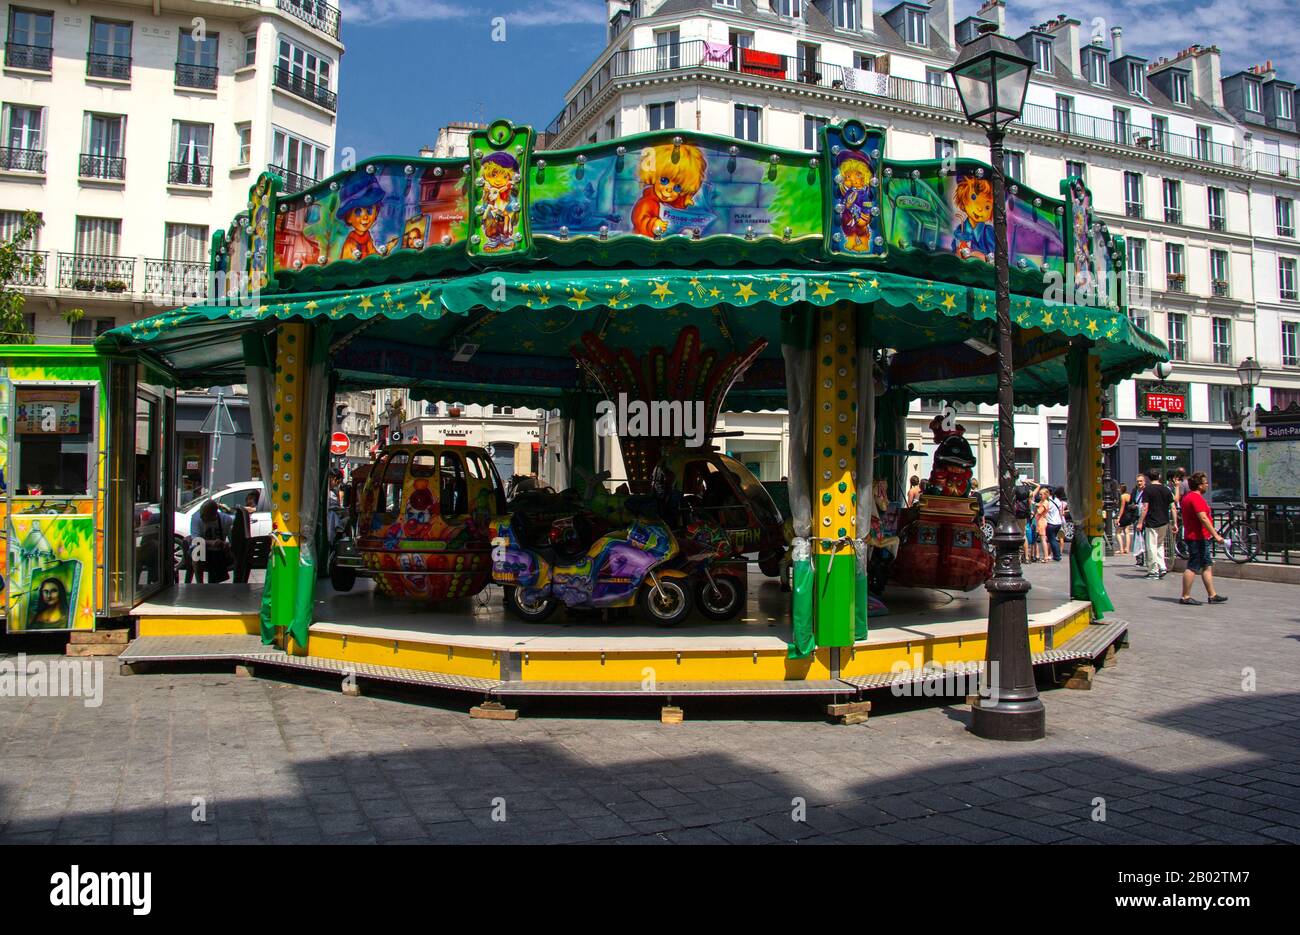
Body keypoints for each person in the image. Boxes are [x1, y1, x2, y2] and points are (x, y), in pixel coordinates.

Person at [1179, 471, 1228, 606]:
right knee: (1193, 566)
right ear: (1200, 485)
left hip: (1198, 536)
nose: (1207, 485)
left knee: (1207, 565)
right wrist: (1216, 535)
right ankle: (1185, 596)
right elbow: (1203, 518)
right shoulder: (1196, 498)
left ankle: (1212, 595)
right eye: (1205, 483)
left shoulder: (1188, 497)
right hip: (1197, 537)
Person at [1137, 469, 1174, 579]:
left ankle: (1153, 570)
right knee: (1160, 545)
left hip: (1152, 521)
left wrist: (1140, 522)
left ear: (1148, 477)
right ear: (1159, 476)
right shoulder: (1166, 489)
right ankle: (1162, 566)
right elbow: (1172, 507)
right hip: (1164, 521)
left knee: (1151, 546)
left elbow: (1145, 508)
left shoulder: (1147, 490)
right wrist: (1175, 523)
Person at [230, 492, 257, 584]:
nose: (248, 501)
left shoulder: (244, 511)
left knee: (241, 557)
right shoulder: (245, 511)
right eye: (248, 499)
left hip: (244, 548)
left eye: (251, 499)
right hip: (248, 549)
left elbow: (251, 509)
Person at [1042, 486, 1065, 561]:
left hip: (1051, 523)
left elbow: (1045, 511)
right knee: (1054, 539)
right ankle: (1056, 554)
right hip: (1058, 523)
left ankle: (1057, 555)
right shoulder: (1057, 500)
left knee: (1052, 540)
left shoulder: (1048, 501)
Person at [1131, 473, 1147, 568]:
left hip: (1145, 518)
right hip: (1136, 517)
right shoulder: (1134, 491)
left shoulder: (1147, 491)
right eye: (1138, 481)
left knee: (1145, 538)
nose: (1139, 483)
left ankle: (1147, 558)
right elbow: (1131, 503)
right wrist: (1133, 506)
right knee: (1137, 539)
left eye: (1141, 481)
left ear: (1144, 482)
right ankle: (1139, 560)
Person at [1034, 486, 1051, 562]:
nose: (1040, 496)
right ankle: (1042, 555)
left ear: (1045, 495)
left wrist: (1036, 507)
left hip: (1042, 521)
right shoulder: (1042, 502)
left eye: (1041, 494)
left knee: (1043, 539)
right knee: (1040, 539)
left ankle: (1046, 556)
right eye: (1040, 494)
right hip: (1039, 521)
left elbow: (1039, 511)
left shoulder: (1045, 502)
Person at [1116, 483, 1132, 554]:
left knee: (1118, 532)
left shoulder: (1122, 496)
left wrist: (1118, 517)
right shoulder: (1129, 496)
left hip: (1124, 515)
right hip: (1129, 515)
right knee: (1127, 532)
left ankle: (1121, 549)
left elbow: (1122, 508)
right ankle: (1127, 548)